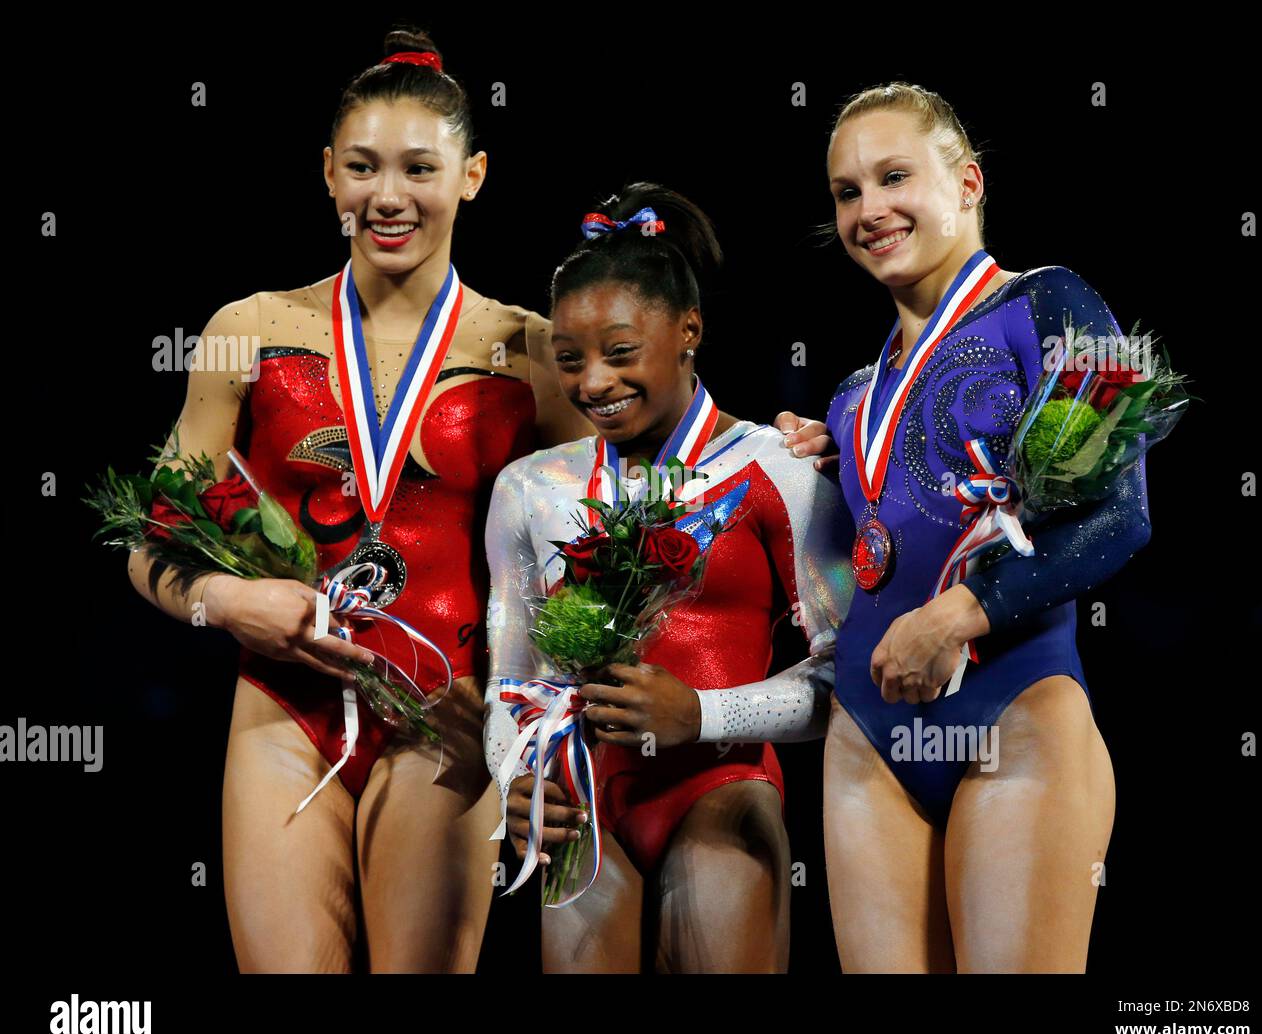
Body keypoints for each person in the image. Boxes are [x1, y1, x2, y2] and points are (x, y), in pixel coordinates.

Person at [126, 27, 591, 973]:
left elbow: (619, 531)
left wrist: (784, 441)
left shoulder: (536, 352)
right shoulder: (245, 330)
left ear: (473, 174)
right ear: (328, 175)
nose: (389, 196)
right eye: (364, 168)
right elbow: (147, 531)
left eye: (420, 168)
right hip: (280, 710)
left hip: (446, 714)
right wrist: (226, 602)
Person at [799, 82, 1151, 972]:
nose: (869, 209)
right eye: (847, 192)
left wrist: (962, 613)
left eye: (892, 177)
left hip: (1018, 709)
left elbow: (1122, 515)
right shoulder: (848, 396)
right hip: (869, 740)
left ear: (967, 182)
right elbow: (859, 560)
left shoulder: (1053, 300)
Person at [483, 183, 855, 973]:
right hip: (581, 796)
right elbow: (512, 679)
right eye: (570, 361)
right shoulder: (529, 488)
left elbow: (847, 677)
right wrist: (516, 777)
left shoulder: (776, 469)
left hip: (721, 787)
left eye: (620, 353)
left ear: (689, 329)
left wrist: (703, 713)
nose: (593, 384)